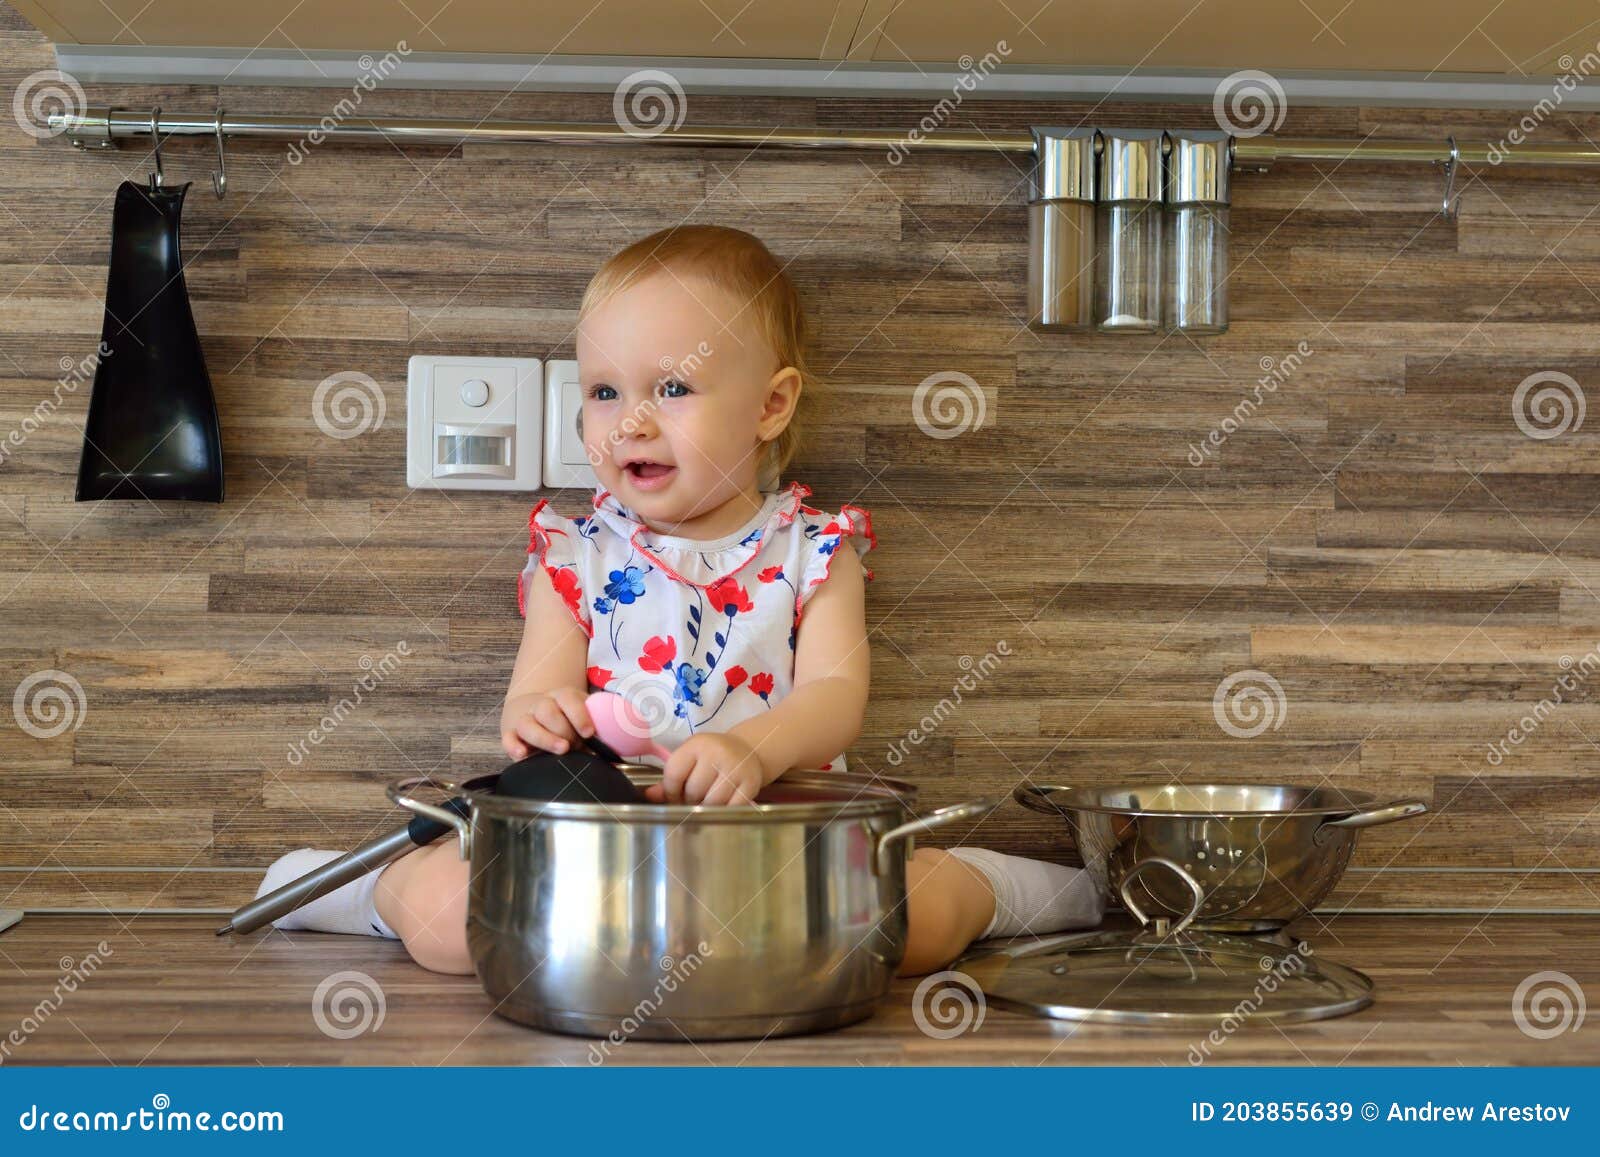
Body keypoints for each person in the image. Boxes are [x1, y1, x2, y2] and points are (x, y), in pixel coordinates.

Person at [254, 225, 1102, 974]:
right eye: (604, 392)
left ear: (771, 404)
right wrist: (540, 718)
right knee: (452, 924)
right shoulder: (576, 550)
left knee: (904, 924)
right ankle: (355, 883)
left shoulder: (814, 548)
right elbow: (536, 691)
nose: (630, 422)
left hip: (781, 849)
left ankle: (1035, 892)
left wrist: (753, 751)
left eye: (672, 389)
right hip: (598, 855)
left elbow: (835, 700)